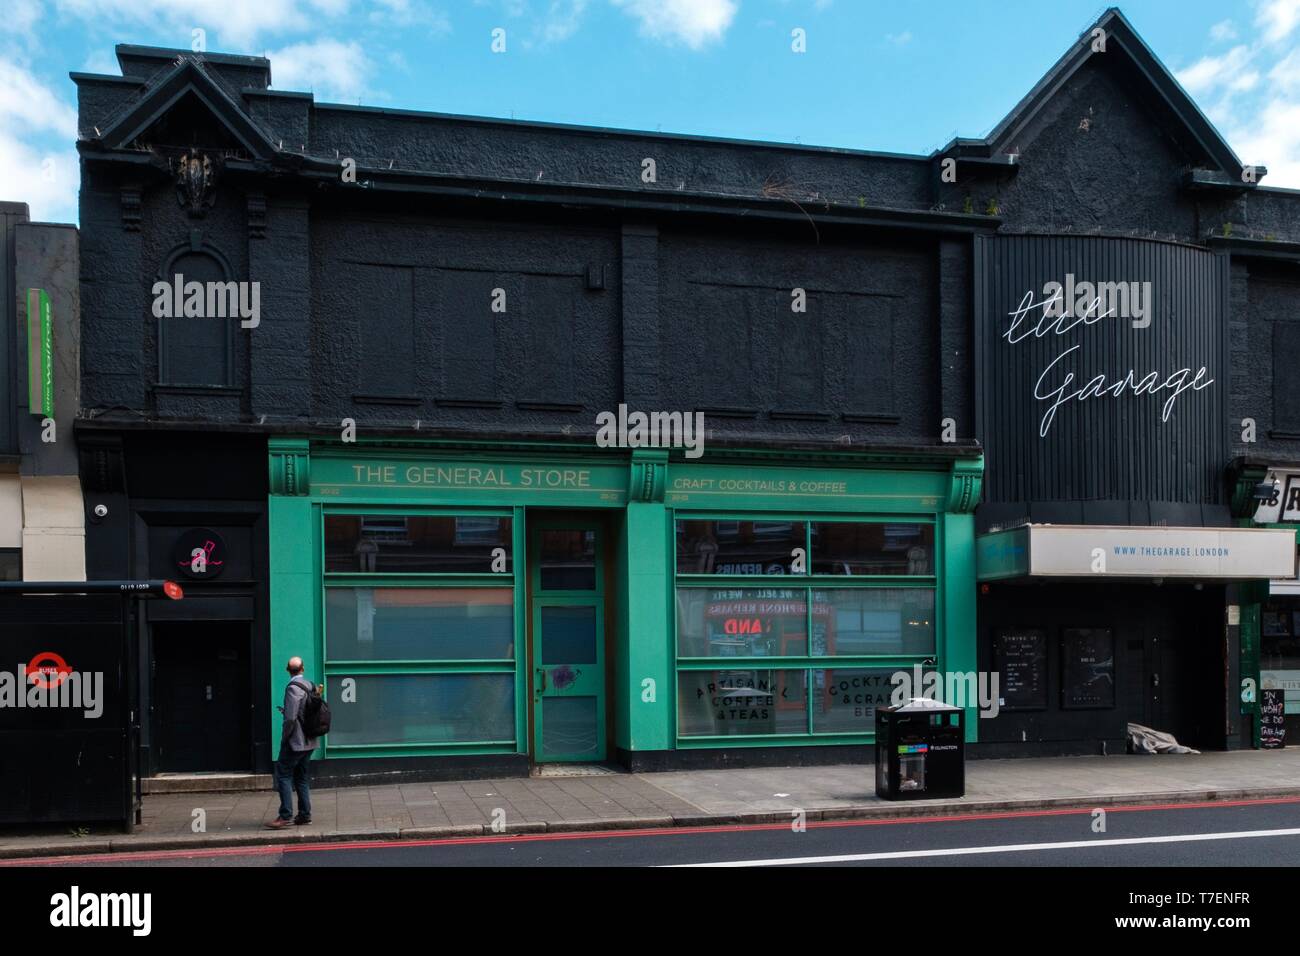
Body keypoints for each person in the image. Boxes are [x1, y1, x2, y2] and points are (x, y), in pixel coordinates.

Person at [266, 656, 318, 829]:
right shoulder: (310, 685)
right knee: (301, 778)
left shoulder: (292, 688)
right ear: (302, 669)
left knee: (283, 774)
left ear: (287, 670)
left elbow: (290, 718)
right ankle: (304, 815)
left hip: (295, 742)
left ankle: (285, 815)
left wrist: (285, 738)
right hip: (310, 740)